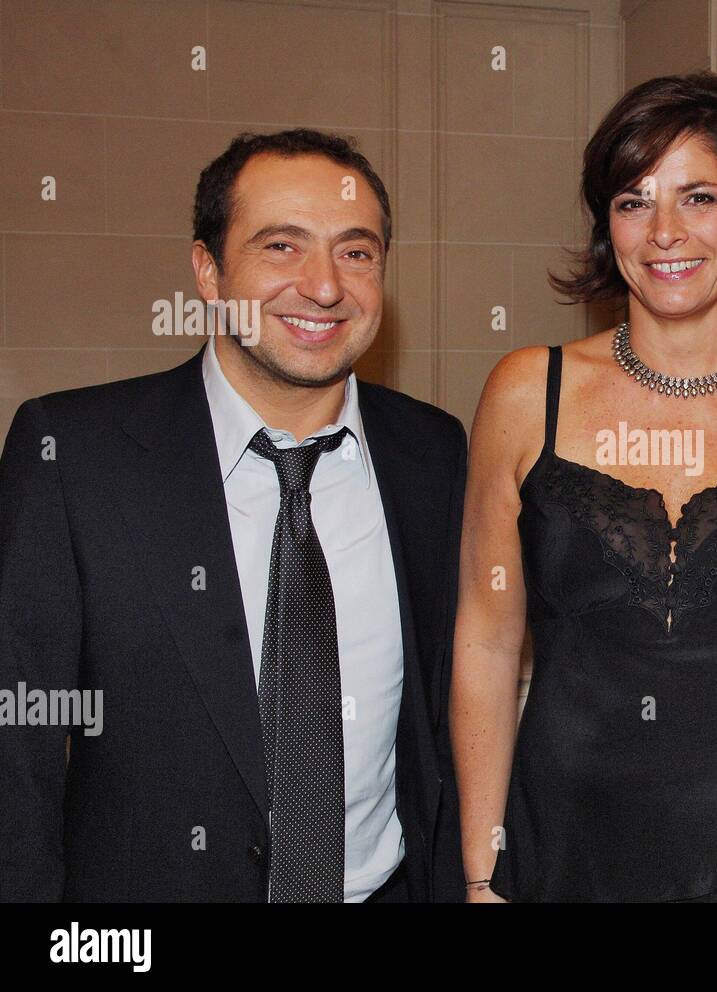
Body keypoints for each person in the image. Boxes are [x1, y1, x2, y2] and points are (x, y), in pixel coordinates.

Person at [0, 129, 466, 902]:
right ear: (209, 273)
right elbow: (17, 753)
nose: (324, 287)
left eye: (356, 252)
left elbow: (446, 726)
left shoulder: (433, 453)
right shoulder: (72, 456)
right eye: (282, 247)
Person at [452, 72, 717, 902]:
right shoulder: (524, 394)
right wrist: (481, 871)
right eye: (632, 200)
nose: (664, 232)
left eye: (698, 197)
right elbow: (486, 642)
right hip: (571, 854)